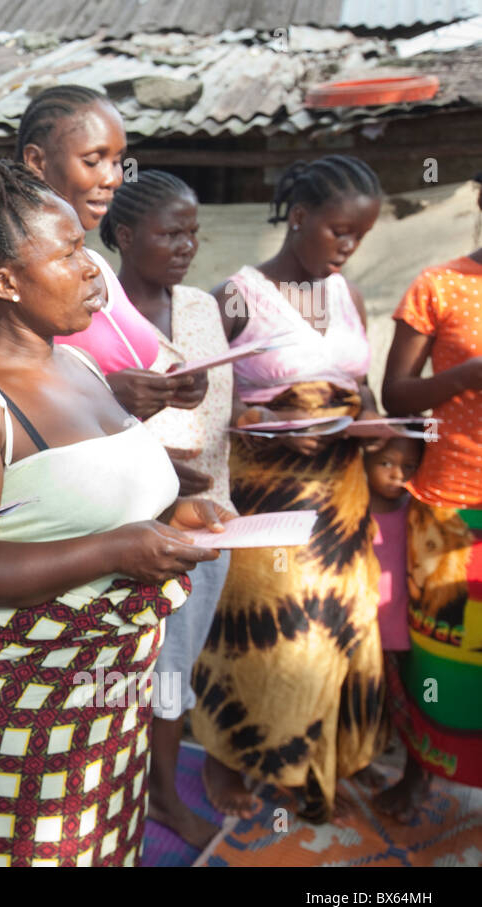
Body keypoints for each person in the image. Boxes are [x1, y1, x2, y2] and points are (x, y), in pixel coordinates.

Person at [0, 158, 229, 866]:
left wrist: (175, 515)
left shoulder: (80, 369)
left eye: (86, 249)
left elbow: (86, 506)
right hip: (22, 704)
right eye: (68, 254)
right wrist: (117, 551)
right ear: (3, 282)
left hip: (110, 690)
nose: (93, 271)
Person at [192, 156, 386, 824]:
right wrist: (260, 423)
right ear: (297, 217)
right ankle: (226, 762)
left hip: (341, 496)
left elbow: (366, 393)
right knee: (261, 641)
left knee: (333, 632)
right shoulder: (236, 296)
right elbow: (204, 410)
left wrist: (371, 423)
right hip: (267, 498)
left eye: (359, 236)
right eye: (338, 232)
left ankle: (309, 767)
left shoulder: (348, 295)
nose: (348, 248)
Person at [97, 170, 236, 848]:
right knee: (125, 666)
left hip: (208, 513)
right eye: (170, 232)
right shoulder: (90, 311)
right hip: (125, 526)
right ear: (124, 236)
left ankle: (156, 792)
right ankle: (133, 796)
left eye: (193, 233)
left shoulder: (203, 310)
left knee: (180, 660)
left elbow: (215, 419)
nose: (187, 246)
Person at [0, 85, 206, 429]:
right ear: (36, 161)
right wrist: (103, 396)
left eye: (118, 161)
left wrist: (168, 388)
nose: (113, 178)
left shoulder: (98, 266)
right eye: (93, 161)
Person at [379, 188, 482, 813]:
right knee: (440, 654)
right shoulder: (438, 285)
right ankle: (423, 771)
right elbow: (396, 394)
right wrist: (466, 377)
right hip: (447, 509)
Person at [360, 438, 428, 819]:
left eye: (409, 466)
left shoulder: (418, 512)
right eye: (385, 461)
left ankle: (416, 776)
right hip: (362, 633)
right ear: (365, 458)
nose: (397, 474)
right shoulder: (353, 511)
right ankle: (359, 760)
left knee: (407, 710)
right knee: (363, 705)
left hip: (404, 636)